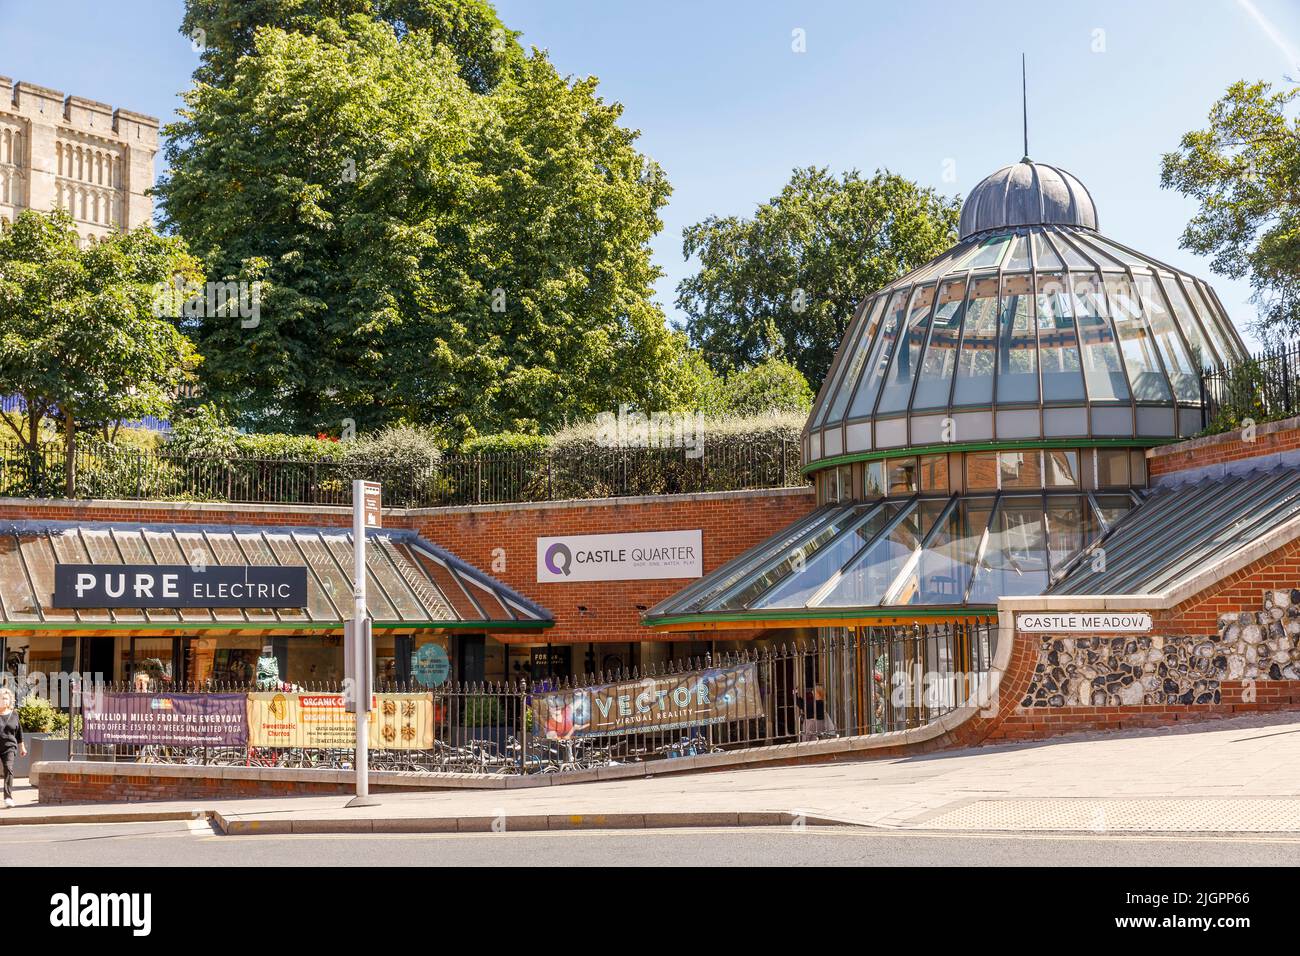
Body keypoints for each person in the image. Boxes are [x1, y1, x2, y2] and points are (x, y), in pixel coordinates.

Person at [0, 688, 25, 808]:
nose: (3, 701)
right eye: (1, 698)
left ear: (9, 700)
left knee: (8, 769)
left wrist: (22, 747)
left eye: (5, 698)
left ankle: (8, 797)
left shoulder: (14, 714)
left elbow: (19, 732)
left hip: (9, 746)